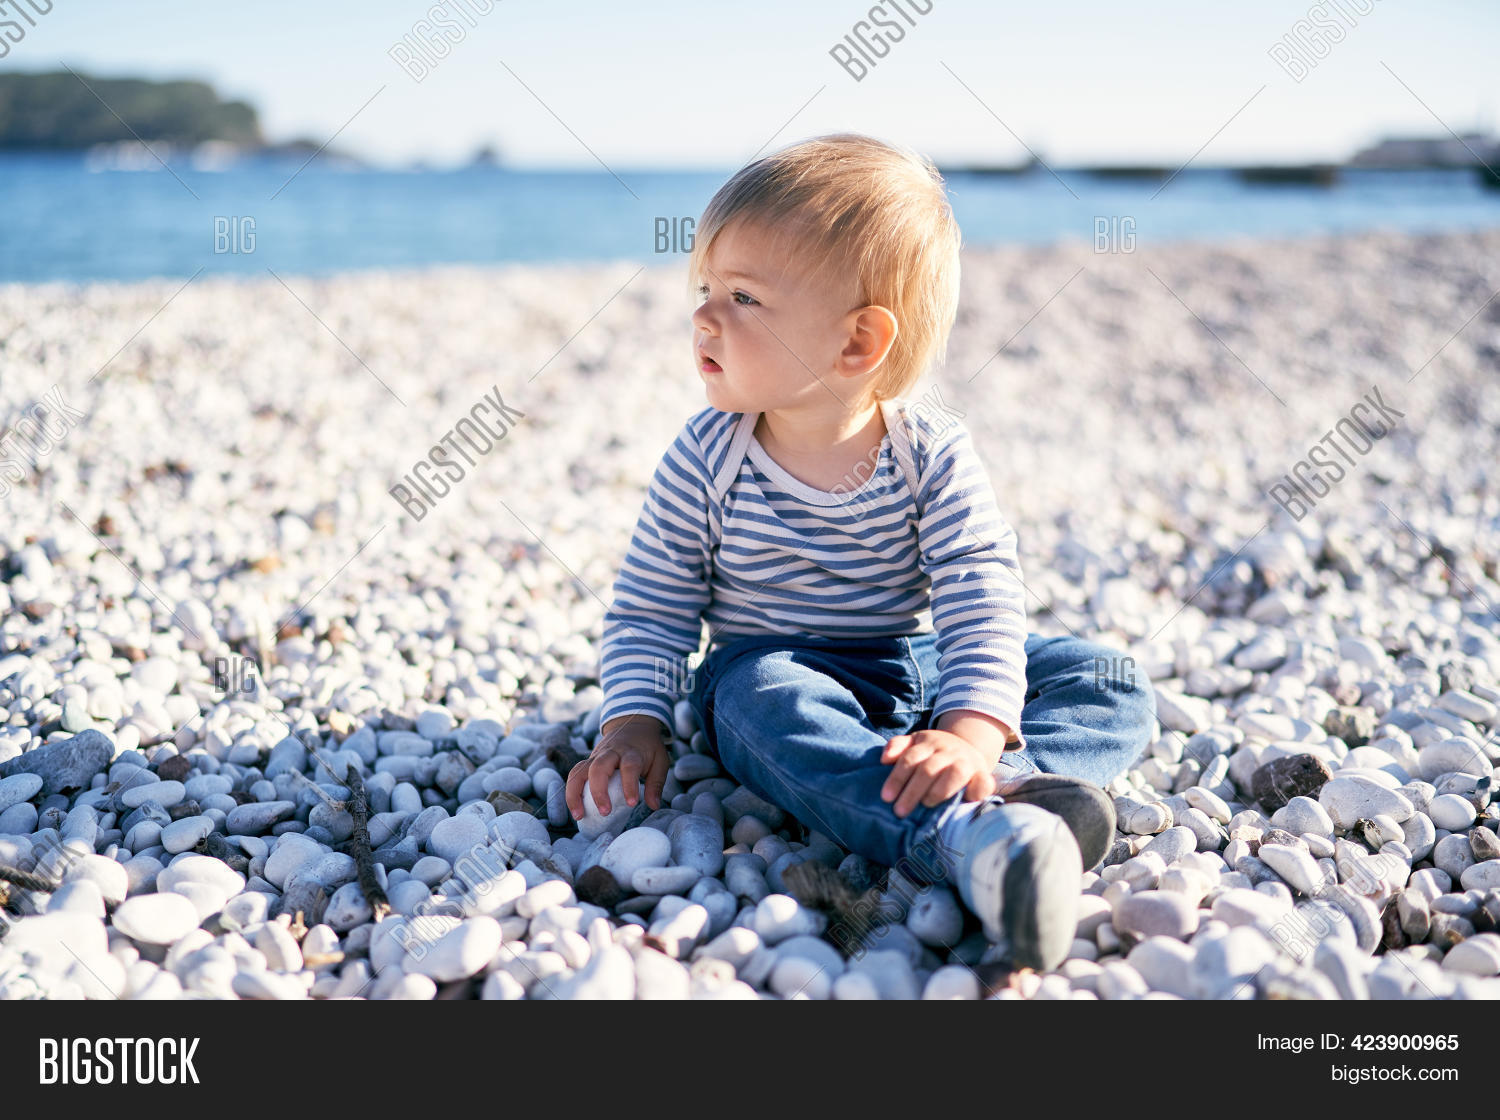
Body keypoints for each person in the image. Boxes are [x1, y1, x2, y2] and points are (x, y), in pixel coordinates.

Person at [566, 134, 1156, 972]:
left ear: (855, 345)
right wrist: (634, 719)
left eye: (742, 298)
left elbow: (980, 594)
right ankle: (959, 833)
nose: (703, 316)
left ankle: (1003, 787)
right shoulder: (708, 456)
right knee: (752, 704)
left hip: (914, 664)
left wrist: (973, 729)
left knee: (1108, 679)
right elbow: (652, 609)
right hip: (778, 665)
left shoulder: (930, 453)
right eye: (703, 289)